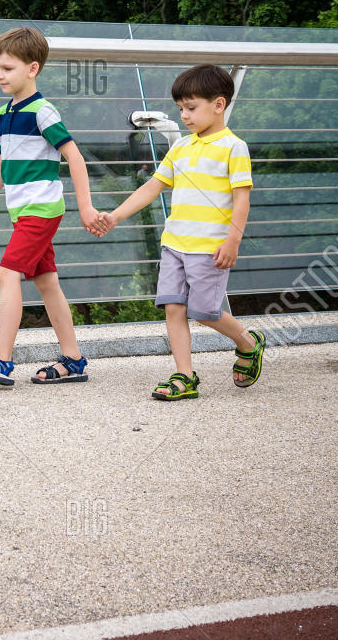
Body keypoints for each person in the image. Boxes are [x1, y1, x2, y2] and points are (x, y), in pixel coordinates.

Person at [92, 64, 264, 400]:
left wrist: (233, 240)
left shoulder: (233, 147)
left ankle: (247, 342)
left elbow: (242, 199)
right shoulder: (181, 148)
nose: (184, 115)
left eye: (191, 107)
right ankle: (184, 376)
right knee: (173, 306)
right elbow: (152, 188)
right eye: (181, 109)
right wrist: (114, 216)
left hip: (210, 247)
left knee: (205, 312)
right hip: (174, 244)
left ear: (218, 104)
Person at [0, 26, 103, 386]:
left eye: (7, 68)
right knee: (47, 283)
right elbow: (5, 164)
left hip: (42, 210)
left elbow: (75, 157)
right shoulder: (3, 114)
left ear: (32, 68)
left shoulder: (42, 111)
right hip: (22, 213)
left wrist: (86, 208)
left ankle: (1, 361)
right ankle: (73, 360)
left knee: (8, 273)